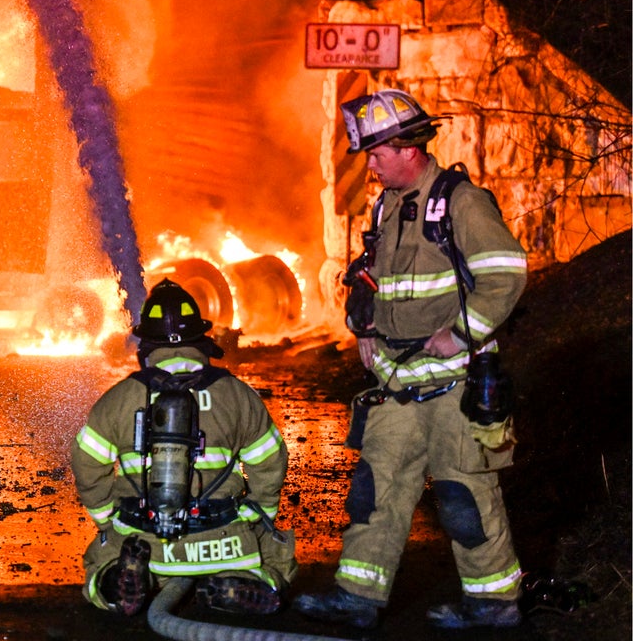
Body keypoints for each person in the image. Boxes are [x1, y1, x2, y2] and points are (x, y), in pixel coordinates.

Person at [293, 89, 528, 630]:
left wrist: (462, 333)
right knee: (375, 490)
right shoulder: (389, 206)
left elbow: (506, 273)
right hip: (399, 382)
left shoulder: (463, 203)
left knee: (464, 495)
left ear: (407, 149)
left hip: (456, 385)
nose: (370, 167)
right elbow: (377, 278)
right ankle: (357, 598)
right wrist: (367, 326)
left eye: (376, 155)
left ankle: (494, 606)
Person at [70, 278, 297, 617]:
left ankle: (118, 581)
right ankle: (241, 580)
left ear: (146, 345)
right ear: (201, 340)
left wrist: (109, 520)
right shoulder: (238, 395)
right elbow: (270, 463)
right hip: (224, 541)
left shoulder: (118, 399)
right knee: (276, 557)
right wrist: (253, 515)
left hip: (143, 539)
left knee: (99, 562)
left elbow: (86, 465)